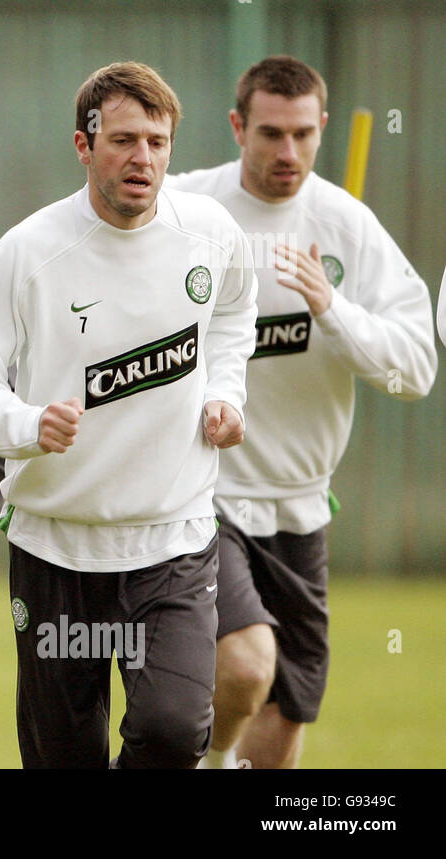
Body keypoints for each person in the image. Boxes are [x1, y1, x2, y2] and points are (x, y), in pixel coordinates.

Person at [0, 61, 259, 768]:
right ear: (83, 145)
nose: (144, 158)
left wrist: (225, 392)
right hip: (56, 550)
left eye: (159, 142)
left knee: (172, 731)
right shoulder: (29, 252)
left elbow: (235, 310)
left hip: (174, 540)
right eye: (124, 140)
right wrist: (27, 425)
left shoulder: (208, 231)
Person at [165, 56, 437, 769]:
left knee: (288, 709)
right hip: (205, 494)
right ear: (237, 127)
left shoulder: (346, 224)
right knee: (247, 667)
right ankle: (209, 760)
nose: (289, 153)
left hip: (300, 507)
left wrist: (332, 307)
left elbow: (416, 368)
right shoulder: (185, 207)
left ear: (322, 129)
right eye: (271, 133)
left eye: (305, 134)